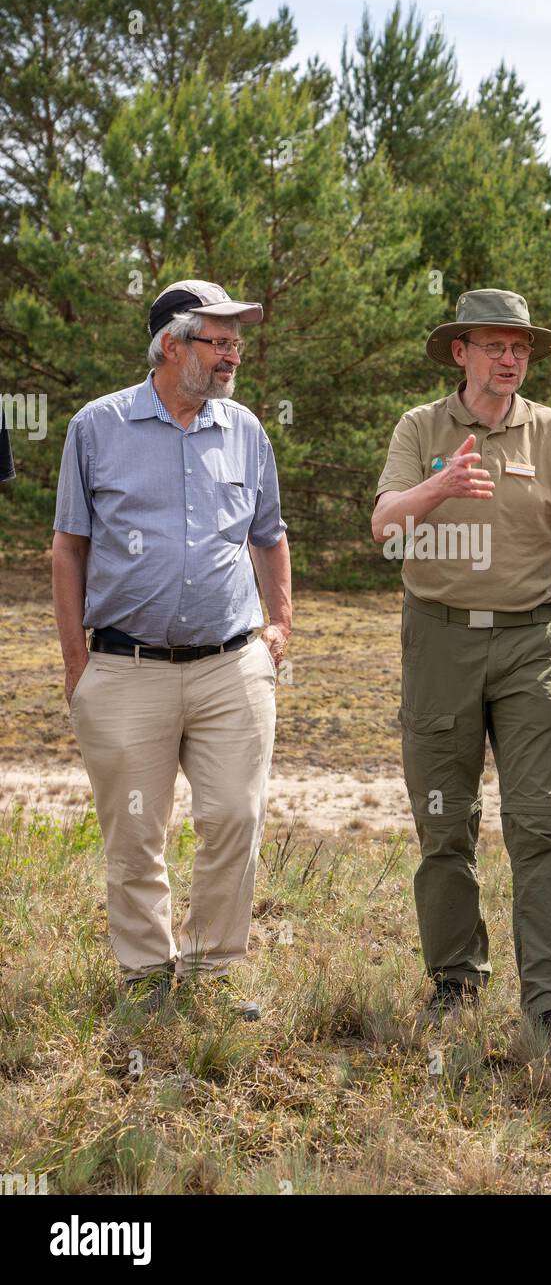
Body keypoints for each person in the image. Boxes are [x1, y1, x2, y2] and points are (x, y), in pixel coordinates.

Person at [373, 288, 551, 1043]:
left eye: (519, 348)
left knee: (540, 821)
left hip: (528, 643)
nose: (510, 359)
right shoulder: (421, 427)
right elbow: (384, 527)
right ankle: (454, 981)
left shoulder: (550, 431)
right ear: (460, 352)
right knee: (444, 823)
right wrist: (439, 484)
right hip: (438, 640)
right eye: (493, 345)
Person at [52, 279, 291, 1018]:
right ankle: (147, 976)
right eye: (217, 340)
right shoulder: (97, 427)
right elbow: (67, 550)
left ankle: (215, 975)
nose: (232, 356)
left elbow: (269, 534)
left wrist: (278, 625)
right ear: (170, 344)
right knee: (135, 828)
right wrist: (76, 665)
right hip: (125, 666)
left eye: (235, 342)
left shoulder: (245, 428)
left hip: (231, 665)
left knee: (234, 819)